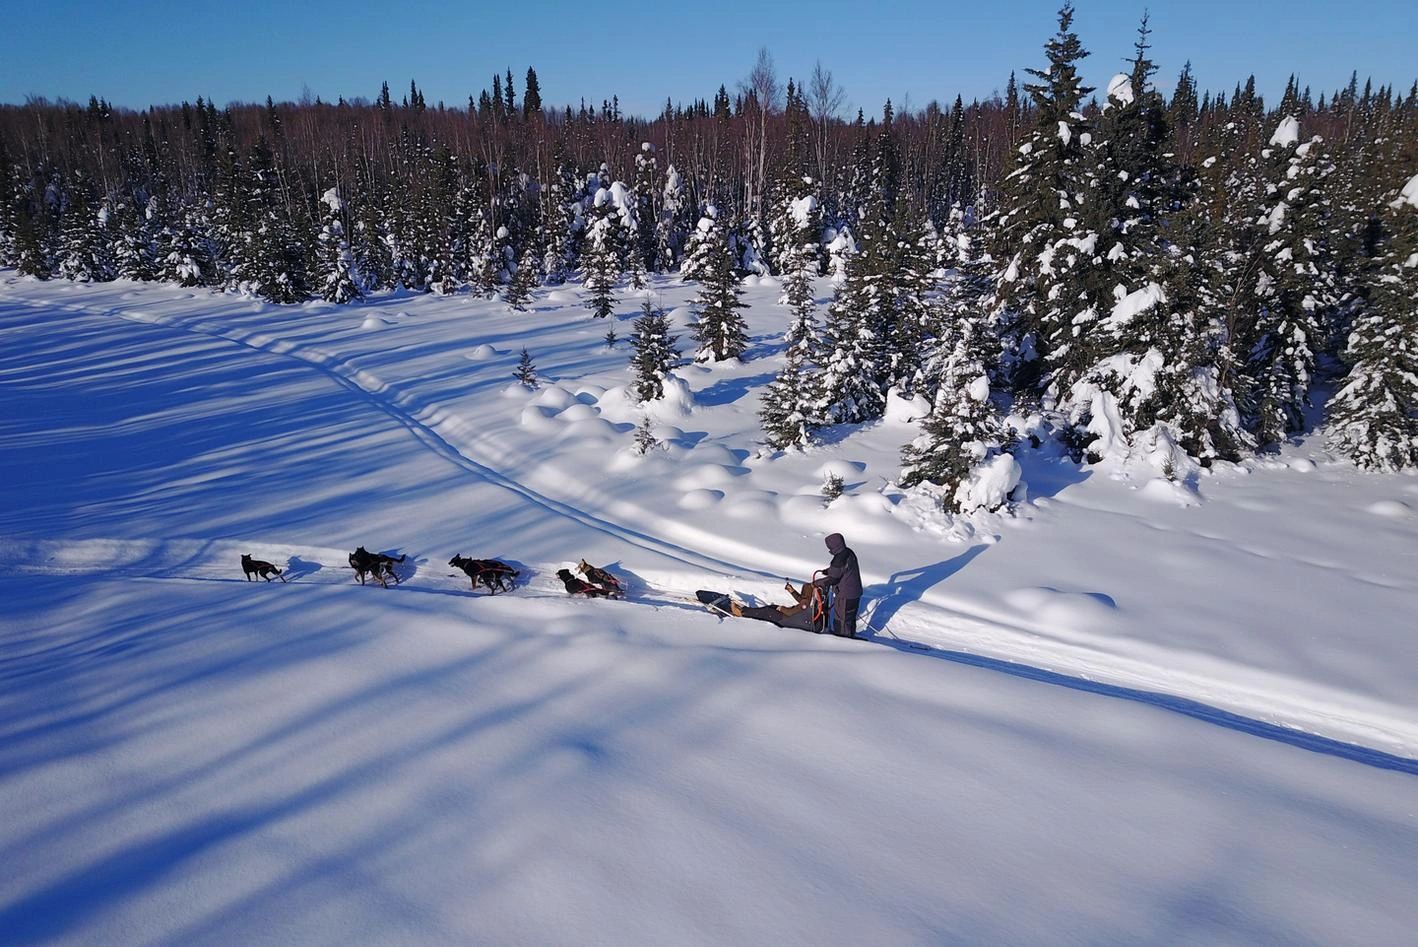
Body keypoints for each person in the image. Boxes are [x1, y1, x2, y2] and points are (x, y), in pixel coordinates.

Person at [695, 581, 824, 633]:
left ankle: (741, 612)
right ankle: (746, 611)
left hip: (789, 620)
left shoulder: (807, 604)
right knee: (770, 608)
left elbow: (794, 610)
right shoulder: (811, 600)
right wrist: (791, 591)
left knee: (767, 611)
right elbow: (802, 601)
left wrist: (781, 608)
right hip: (794, 618)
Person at [813, 532, 861, 638]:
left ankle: (842, 641)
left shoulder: (838, 559)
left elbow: (833, 579)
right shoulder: (848, 552)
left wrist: (817, 583)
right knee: (850, 618)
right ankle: (850, 635)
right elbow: (840, 570)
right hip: (855, 592)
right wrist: (827, 571)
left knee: (842, 619)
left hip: (845, 595)